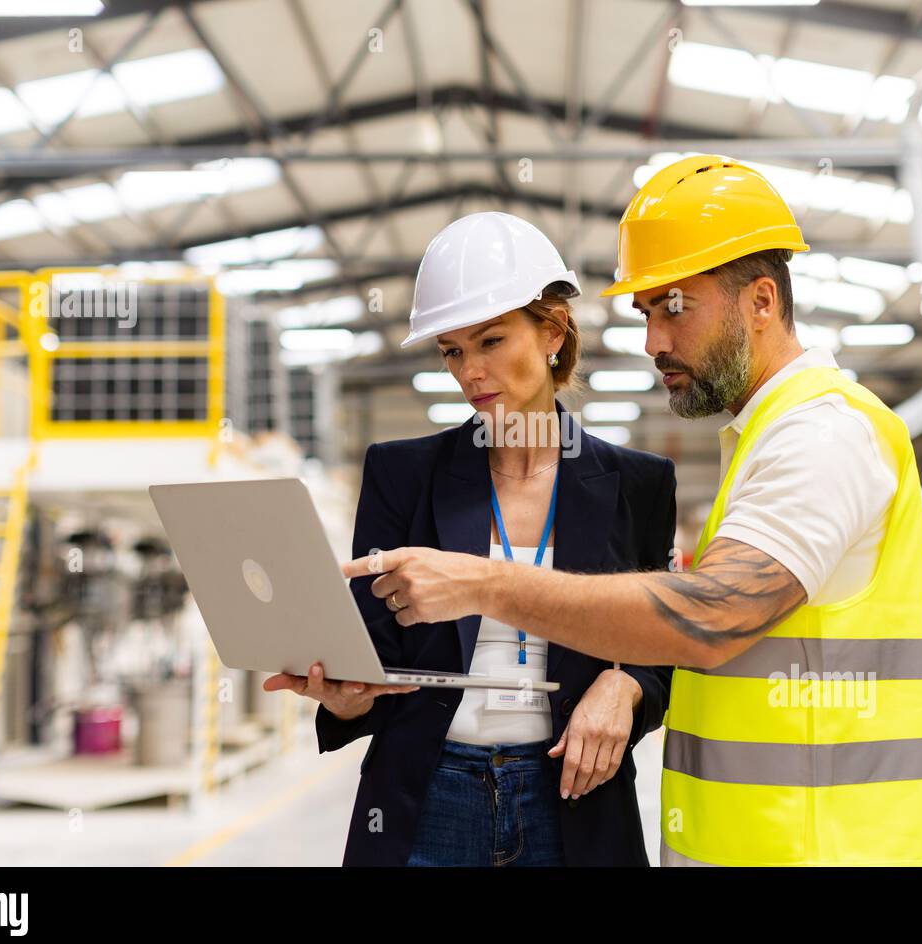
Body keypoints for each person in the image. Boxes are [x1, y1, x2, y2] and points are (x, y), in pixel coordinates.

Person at [343, 156, 922, 867]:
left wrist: (486, 585)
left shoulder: (820, 435)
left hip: (815, 846)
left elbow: (707, 615)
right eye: (646, 313)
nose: (654, 342)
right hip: (757, 839)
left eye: (674, 309)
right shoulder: (761, 438)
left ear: (760, 301)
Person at [266, 211, 676, 867]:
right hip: (427, 799)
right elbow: (374, 643)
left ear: (552, 331)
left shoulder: (637, 484)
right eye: (453, 350)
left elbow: (661, 644)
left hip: (571, 798)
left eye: (490, 341)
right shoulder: (401, 474)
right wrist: (346, 697)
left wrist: (625, 685)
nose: (469, 372)